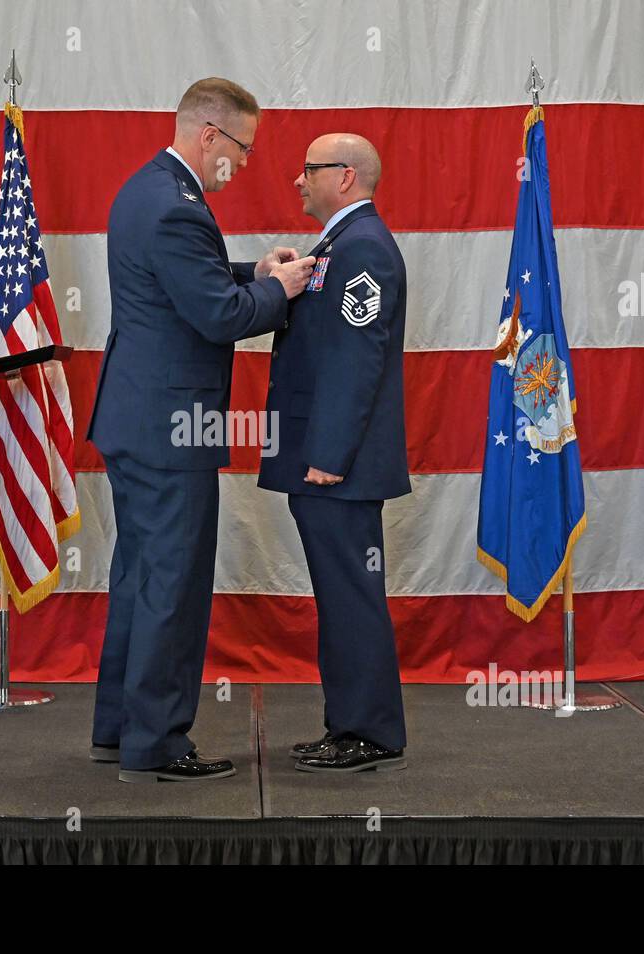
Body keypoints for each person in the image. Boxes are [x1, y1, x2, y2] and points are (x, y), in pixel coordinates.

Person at [87, 78, 316, 782]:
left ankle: (120, 728)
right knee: (173, 583)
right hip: (169, 427)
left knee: (138, 576)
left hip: (136, 418)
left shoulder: (148, 190)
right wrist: (281, 290)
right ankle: (156, 743)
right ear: (210, 134)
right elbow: (218, 315)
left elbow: (185, 279)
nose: (245, 164)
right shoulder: (178, 209)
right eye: (242, 149)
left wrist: (255, 268)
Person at [258, 134, 411, 773]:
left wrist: (328, 451)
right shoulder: (338, 247)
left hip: (335, 462)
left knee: (350, 593)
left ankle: (368, 731)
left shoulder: (364, 250)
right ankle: (349, 723)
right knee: (341, 591)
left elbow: (355, 358)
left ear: (344, 177)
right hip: (324, 455)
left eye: (308, 169)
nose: (297, 179)